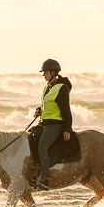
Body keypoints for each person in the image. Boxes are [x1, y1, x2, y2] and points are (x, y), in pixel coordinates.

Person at [31, 59, 73, 191]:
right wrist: (40, 110)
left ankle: (44, 179)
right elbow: (49, 104)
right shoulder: (48, 86)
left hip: (55, 124)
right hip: (45, 122)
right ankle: (33, 174)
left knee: (42, 146)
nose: (44, 75)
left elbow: (66, 111)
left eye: (45, 72)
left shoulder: (61, 88)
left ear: (53, 72)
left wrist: (67, 129)